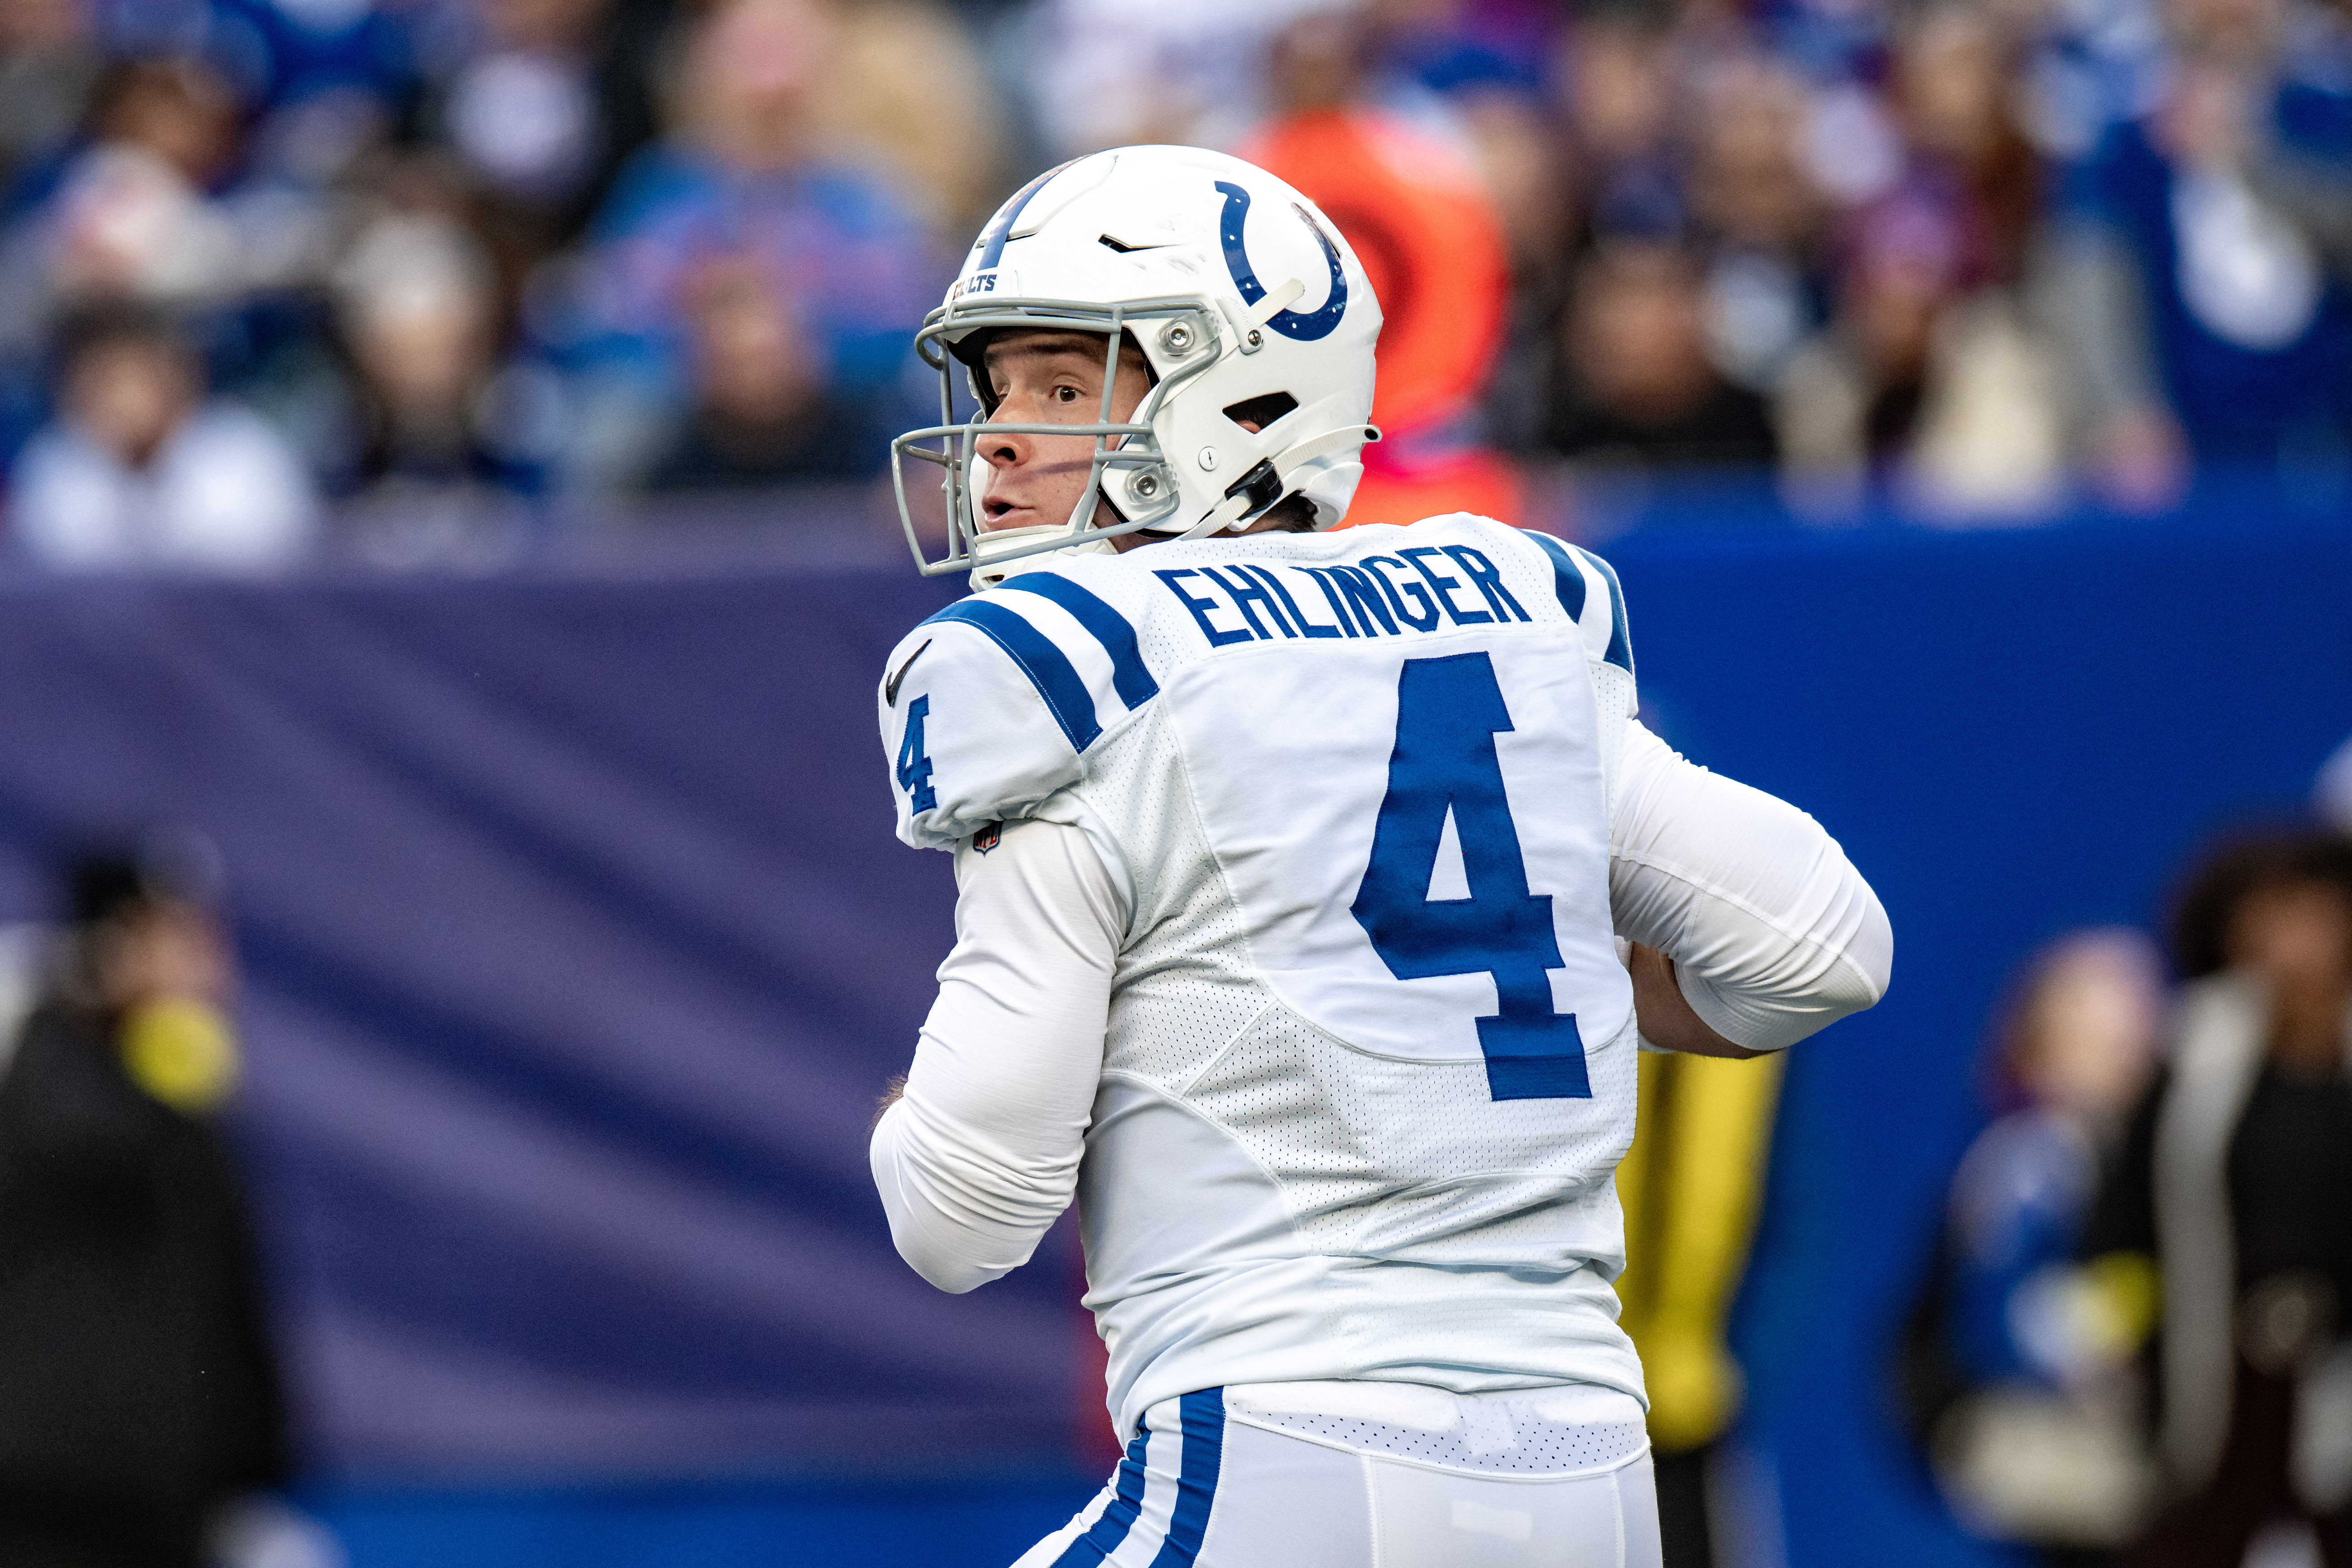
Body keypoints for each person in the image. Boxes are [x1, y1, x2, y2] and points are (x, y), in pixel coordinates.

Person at [866, 146, 1893, 1565]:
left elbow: (960, 1212)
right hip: (1591, 1468)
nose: (998, 440)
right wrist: (1579, 972)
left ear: (1239, 393)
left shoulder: (1065, 668)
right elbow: (1821, 947)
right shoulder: (1497, 606)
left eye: (1058, 385)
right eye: (990, 394)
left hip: (1276, 1451)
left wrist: (909, 1108)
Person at [0, 847, 286, 1568]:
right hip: (46, 1514)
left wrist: (257, 1464)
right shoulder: (45, 1078)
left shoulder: (191, 1112)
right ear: (113, 949)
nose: (208, 967)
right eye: (178, 938)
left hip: (169, 1517)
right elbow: (83, 1134)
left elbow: (227, 1309)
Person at [2088, 829, 2352, 1568]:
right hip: (2213, 1373)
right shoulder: (2191, 1053)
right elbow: (2122, 1218)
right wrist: (2120, 1339)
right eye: (2264, 916)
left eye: (2309, 912)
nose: (2288, 940)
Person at [1899, 930, 2169, 1564]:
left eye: (2135, 1045)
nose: (2124, 1065)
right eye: (2099, 1045)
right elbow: (2011, 1312)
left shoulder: (2122, 1157)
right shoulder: (2033, 1157)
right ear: (2034, 1052)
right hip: (2056, 1439)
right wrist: (2121, 1337)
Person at [9, 306, 318, 572]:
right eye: (103, 384)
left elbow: (278, 586)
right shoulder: (54, 466)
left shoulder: (243, 457)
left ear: (173, 377)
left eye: (131, 380)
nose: (120, 402)